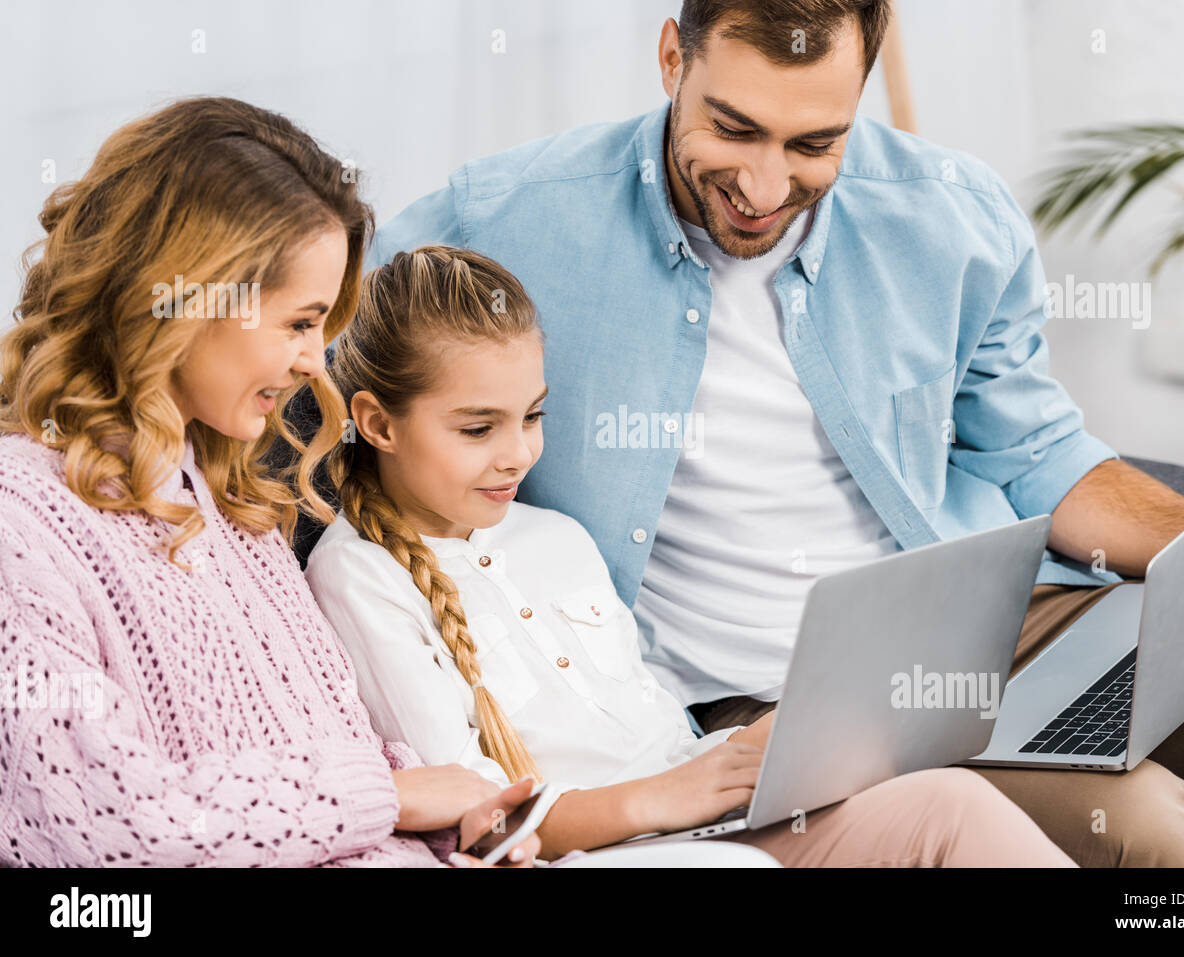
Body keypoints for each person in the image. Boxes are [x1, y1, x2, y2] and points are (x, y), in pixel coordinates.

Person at [360, 0, 1184, 866]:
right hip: (778, 707)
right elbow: (322, 329)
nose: (765, 185)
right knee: (1154, 828)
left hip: (987, 631)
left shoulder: (950, 216)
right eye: (733, 128)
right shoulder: (515, 213)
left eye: (814, 141)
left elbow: (1036, 452)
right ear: (669, 59)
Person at [304, 243, 1076, 867]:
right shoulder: (358, 574)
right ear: (376, 422)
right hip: (609, 847)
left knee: (951, 801)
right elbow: (468, 813)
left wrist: (761, 749)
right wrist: (668, 797)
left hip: (707, 818)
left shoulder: (555, 538)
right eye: (478, 429)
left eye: (533, 416)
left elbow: (655, 726)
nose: (519, 454)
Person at [0, 95, 543, 868]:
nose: (315, 359)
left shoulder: (233, 511)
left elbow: (315, 765)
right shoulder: (19, 521)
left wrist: (448, 826)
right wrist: (393, 798)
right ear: (183, 299)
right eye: (298, 322)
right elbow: (100, 823)